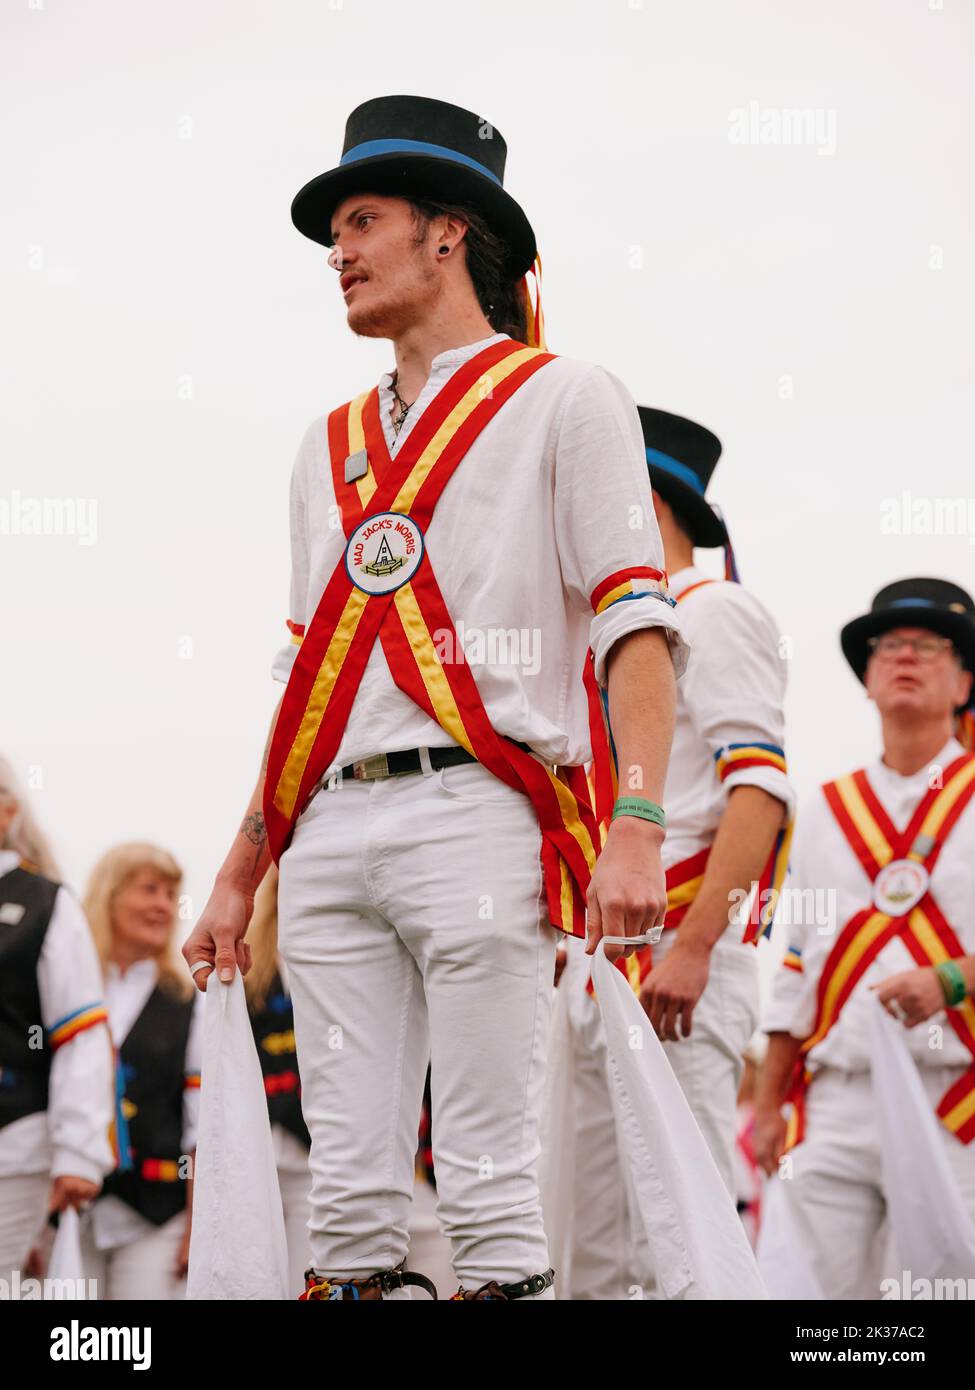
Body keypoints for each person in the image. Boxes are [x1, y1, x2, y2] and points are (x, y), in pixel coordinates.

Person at [183, 93, 687, 1301]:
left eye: (362, 221)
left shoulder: (569, 396)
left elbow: (634, 622)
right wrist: (241, 869)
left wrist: (638, 824)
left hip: (483, 811)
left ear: (449, 232)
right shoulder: (328, 441)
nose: (339, 254)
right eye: (334, 235)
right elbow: (312, 681)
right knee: (348, 1198)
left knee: (486, 1174)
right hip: (332, 831)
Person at [553, 406, 794, 1298]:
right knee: (590, 1248)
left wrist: (694, 948)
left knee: (687, 1240)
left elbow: (758, 789)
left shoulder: (713, 608)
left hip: (679, 958)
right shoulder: (608, 633)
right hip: (602, 963)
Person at [755, 578, 975, 1298]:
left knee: (943, 1290)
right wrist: (764, 1105)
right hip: (839, 1094)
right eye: (887, 645)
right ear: (866, 676)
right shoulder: (822, 808)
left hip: (958, 1095)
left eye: (928, 645)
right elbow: (795, 965)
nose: (904, 657)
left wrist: (950, 980)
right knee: (807, 1300)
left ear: (964, 679)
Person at [0, 757, 115, 1284]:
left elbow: (81, 1035)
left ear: (9, 809)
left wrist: (78, 1153)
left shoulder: (45, 903)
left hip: (15, 1142)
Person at [79, 843, 203, 1299]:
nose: (163, 906)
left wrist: (197, 1227)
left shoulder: (190, 998)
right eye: (149, 890)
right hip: (69, 1212)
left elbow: (200, 1125)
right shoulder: (71, 986)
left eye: (172, 895)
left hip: (156, 1214)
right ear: (110, 895)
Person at [243, 864, 314, 1295]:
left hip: (317, 1157)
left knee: (311, 1277)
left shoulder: (350, 961)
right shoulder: (251, 968)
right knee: (254, 1279)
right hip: (257, 1153)